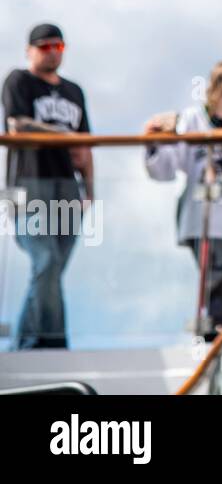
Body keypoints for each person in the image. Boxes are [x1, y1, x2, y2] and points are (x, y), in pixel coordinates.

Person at [143, 59, 222, 341]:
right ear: (219, 80)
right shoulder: (193, 118)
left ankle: (220, 331)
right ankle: (214, 333)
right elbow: (166, 167)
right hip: (202, 214)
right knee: (214, 276)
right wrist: (154, 141)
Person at [2, 23, 92, 349]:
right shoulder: (19, 81)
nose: (52, 52)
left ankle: (27, 343)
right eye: (45, 46)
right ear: (30, 50)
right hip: (26, 185)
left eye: (58, 46)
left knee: (51, 270)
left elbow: (84, 147)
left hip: (67, 187)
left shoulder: (74, 91)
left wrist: (90, 191)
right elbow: (17, 125)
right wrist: (62, 135)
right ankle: (50, 344)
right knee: (46, 262)